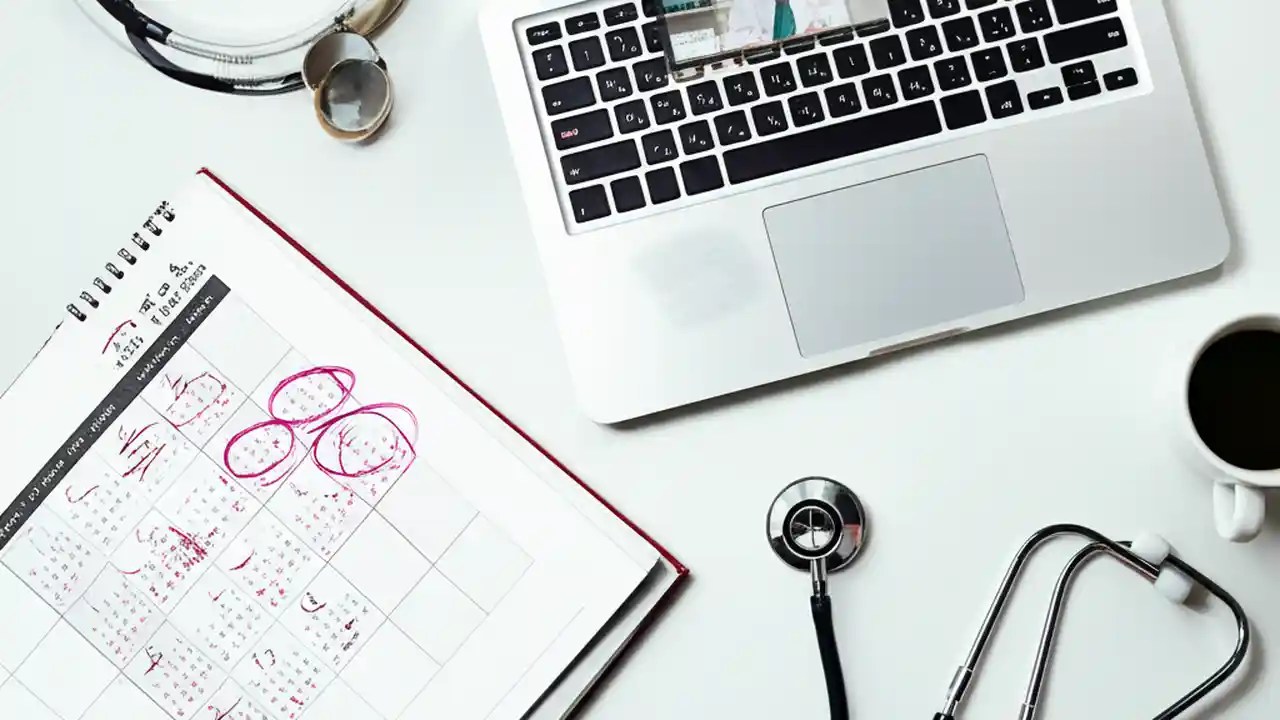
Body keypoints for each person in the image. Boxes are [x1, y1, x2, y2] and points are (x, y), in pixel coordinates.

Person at [724, 0, 851, 49]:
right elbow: (735, 45)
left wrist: (824, 32)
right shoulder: (744, 3)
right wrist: (754, 46)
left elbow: (843, 27)